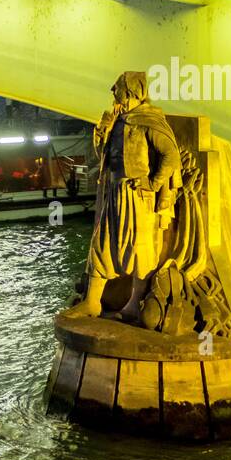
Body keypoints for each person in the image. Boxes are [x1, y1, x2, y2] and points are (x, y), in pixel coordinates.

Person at [76, 71, 180, 323]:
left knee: (140, 250)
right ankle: (91, 302)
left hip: (137, 196)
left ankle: (134, 305)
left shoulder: (148, 121)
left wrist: (153, 183)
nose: (114, 94)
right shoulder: (119, 120)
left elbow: (171, 155)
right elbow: (105, 156)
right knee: (101, 245)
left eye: (117, 90)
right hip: (114, 192)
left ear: (130, 91)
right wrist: (102, 132)